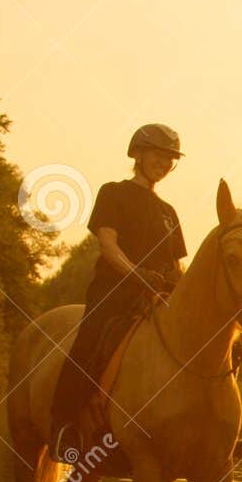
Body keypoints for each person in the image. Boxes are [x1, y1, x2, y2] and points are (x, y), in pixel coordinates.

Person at [50, 124, 188, 461]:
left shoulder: (168, 212)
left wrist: (186, 296)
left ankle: (217, 429)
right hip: (115, 292)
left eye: (170, 158)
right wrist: (138, 275)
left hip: (159, 298)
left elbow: (176, 267)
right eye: (158, 154)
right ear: (137, 154)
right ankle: (63, 427)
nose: (164, 162)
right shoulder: (114, 193)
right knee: (89, 344)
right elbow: (108, 245)